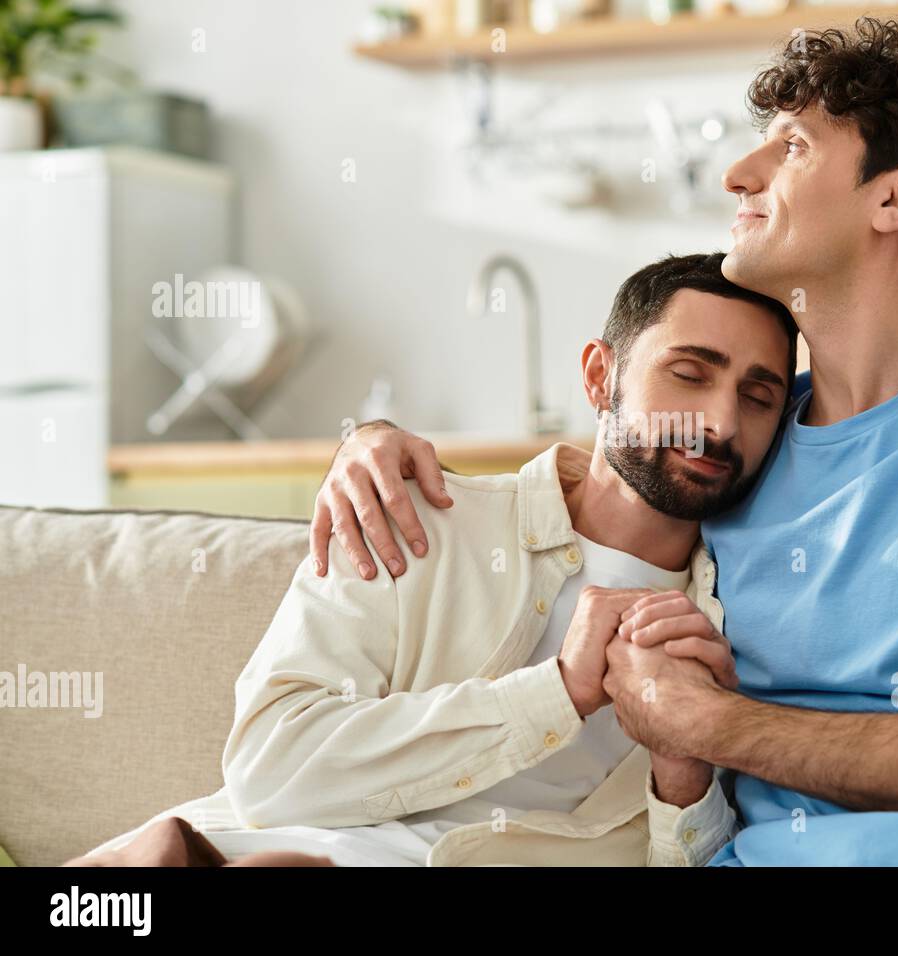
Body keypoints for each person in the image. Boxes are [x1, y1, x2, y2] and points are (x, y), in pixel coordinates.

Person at [314, 18, 898, 867]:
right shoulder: (739, 447)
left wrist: (713, 725)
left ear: (896, 196)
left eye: (793, 147)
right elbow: (591, 504)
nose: (738, 174)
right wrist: (378, 448)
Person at [72, 252, 797, 867]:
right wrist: (558, 693)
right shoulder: (410, 513)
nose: (721, 424)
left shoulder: (740, 624)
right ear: (599, 376)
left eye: (758, 397)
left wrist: (683, 771)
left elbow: (688, 858)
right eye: (690, 374)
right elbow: (268, 767)